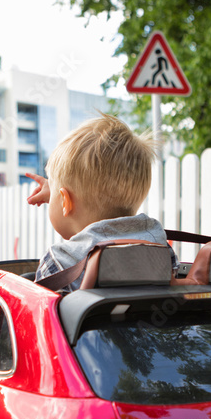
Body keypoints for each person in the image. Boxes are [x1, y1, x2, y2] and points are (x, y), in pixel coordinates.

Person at [25, 113, 177, 290]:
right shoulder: (158, 245)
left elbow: (39, 312)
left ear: (65, 202)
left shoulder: (60, 261)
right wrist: (57, 191)